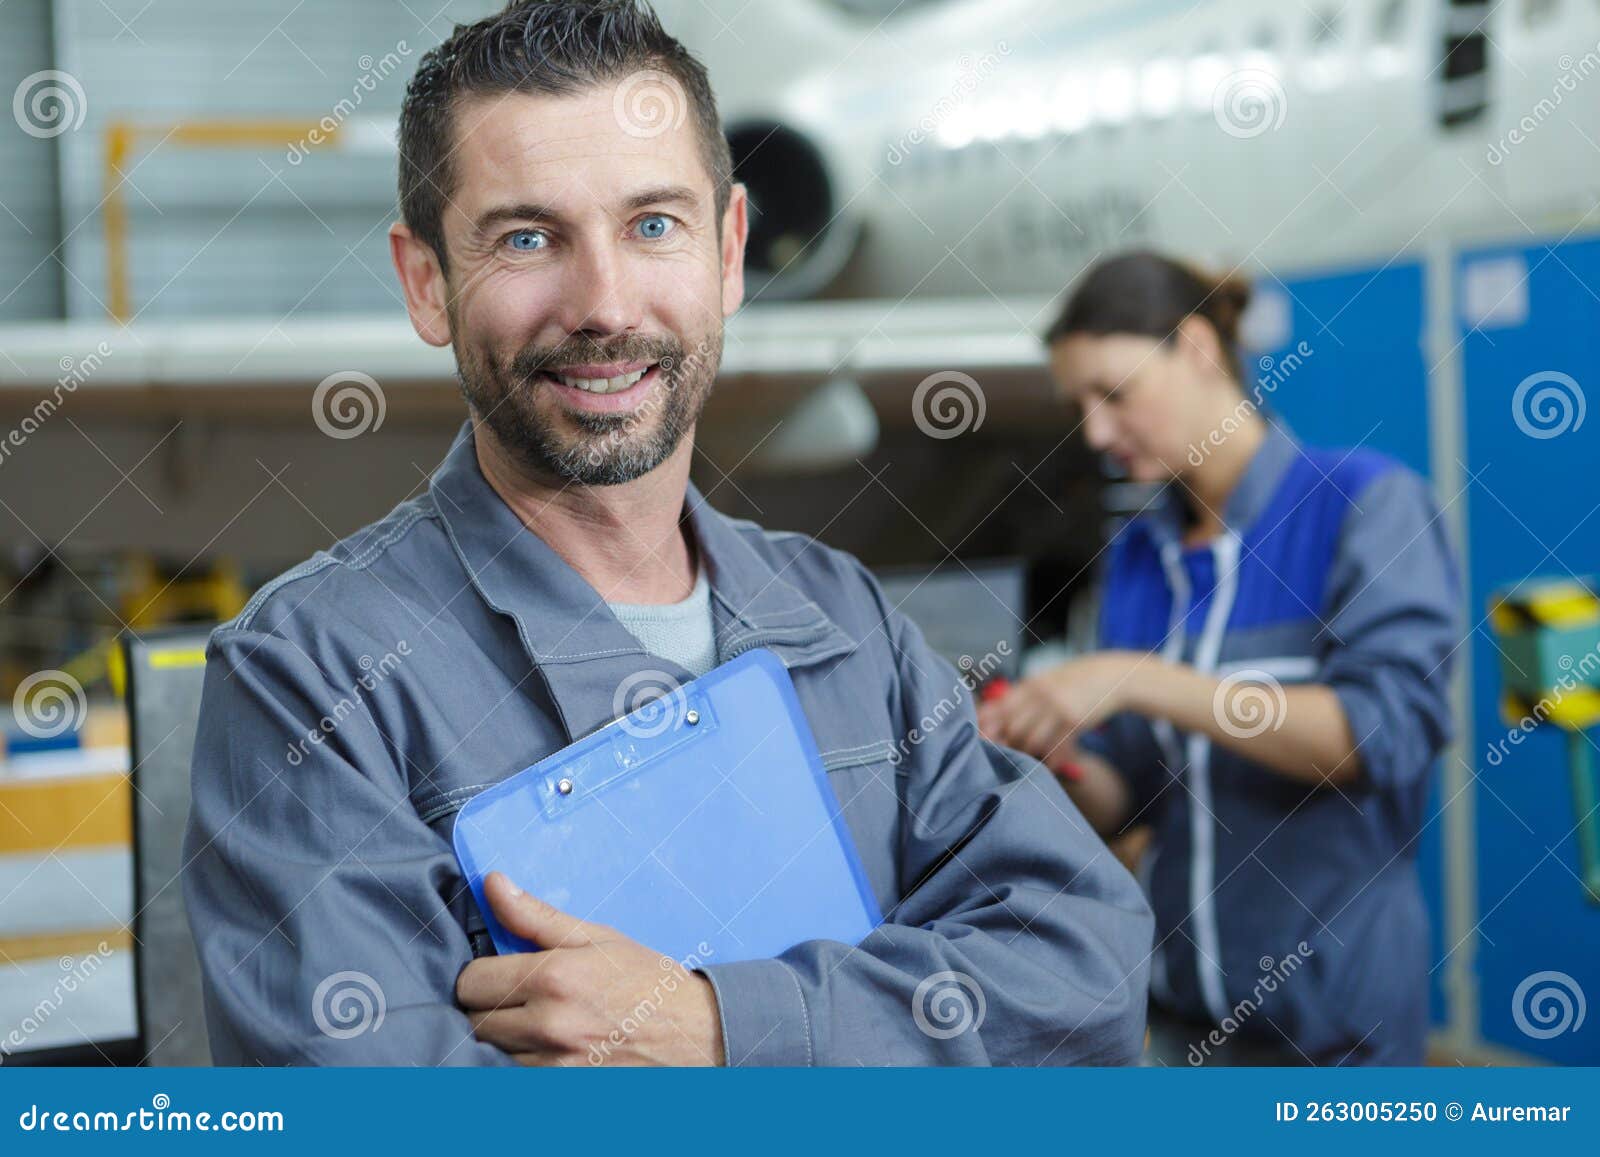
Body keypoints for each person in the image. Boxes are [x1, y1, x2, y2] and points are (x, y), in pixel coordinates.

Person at [181, 0, 1153, 1067]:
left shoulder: (844, 622)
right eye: (526, 237)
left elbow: (1087, 970)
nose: (603, 303)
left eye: (653, 225)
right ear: (427, 283)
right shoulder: (316, 679)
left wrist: (720, 1025)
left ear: (728, 250)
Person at [978, 251, 1459, 1065]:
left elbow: (1380, 735)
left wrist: (1138, 679)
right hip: (1182, 1023)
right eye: (1079, 406)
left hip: (1336, 1034)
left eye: (1115, 394)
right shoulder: (1139, 554)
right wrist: (1049, 755)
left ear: (1197, 348)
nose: (1096, 433)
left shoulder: (1363, 505)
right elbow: (1129, 792)